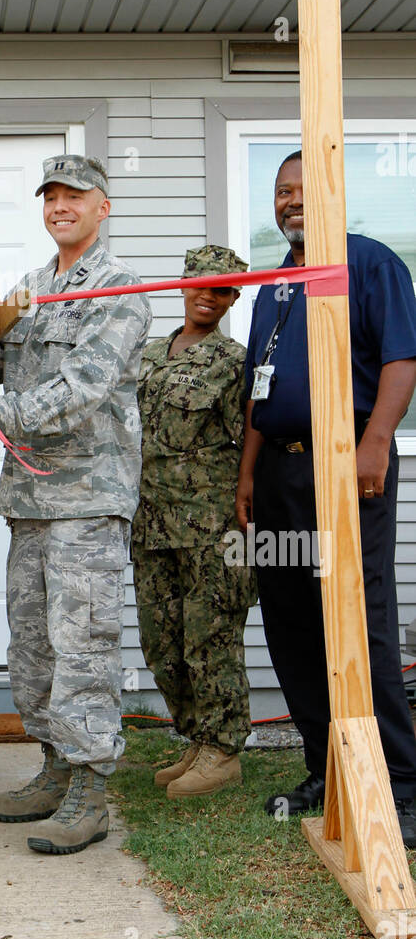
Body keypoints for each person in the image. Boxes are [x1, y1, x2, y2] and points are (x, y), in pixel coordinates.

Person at [0, 154, 150, 856]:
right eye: (52, 196)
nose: (62, 206)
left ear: (103, 207)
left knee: (85, 644)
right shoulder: (29, 289)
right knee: (35, 646)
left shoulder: (123, 291)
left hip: (87, 499)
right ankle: (53, 765)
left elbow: (83, 387)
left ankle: (91, 787)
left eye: (77, 195)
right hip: (31, 500)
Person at [236, 150, 416, 845]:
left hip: (348, 469)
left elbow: (402, 358)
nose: (290, 202)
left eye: (304, 189)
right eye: (282, 192)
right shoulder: (274, 287)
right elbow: (261, 386)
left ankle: (400, 785)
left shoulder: (370, 263)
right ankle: (326, 768)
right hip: (280, 474)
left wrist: (375, 442)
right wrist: (248, 473)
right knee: (291, 621)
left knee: (359, 621)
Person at [132, 244, 253, 797]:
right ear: (183, 285)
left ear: (234, 297)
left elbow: (253, 436)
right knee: (162, 639)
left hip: (212, 522)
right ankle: (196, 740)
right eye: (202, 285)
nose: (210, 296)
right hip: (153, 519)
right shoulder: (152, 355)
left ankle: (223, 750)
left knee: (211, 637)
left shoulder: (236, 360)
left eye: (223, 289)